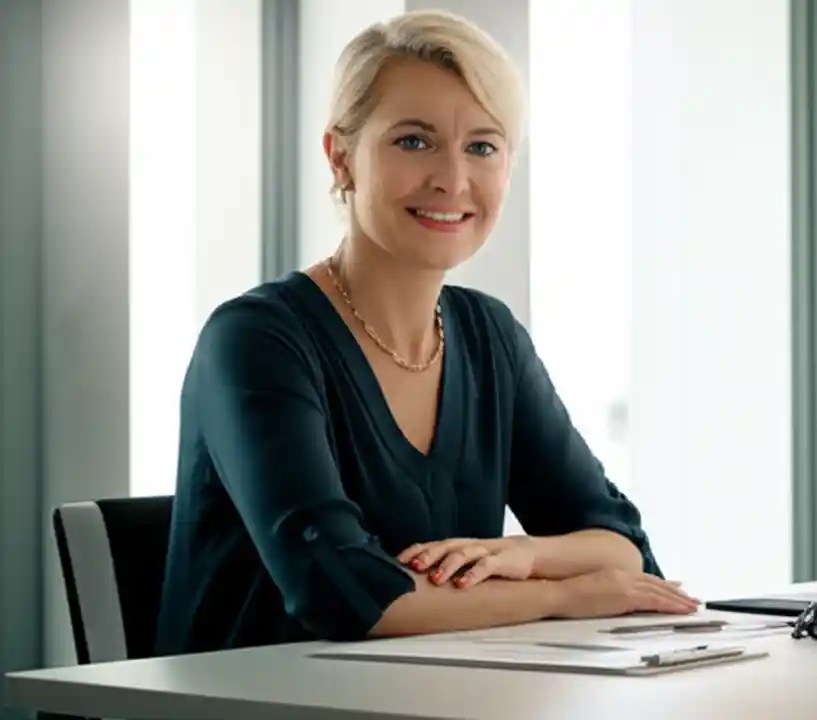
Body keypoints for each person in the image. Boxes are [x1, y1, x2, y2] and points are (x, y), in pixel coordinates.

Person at [154, 9, 697, 655]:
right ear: (341, 156)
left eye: (483, 146)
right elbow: (341, 592)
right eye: (413, 141)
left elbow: (621, 547)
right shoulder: (256, 339)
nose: (452, 179)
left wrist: (521, 557)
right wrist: (561, 594)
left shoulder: (488, 334)